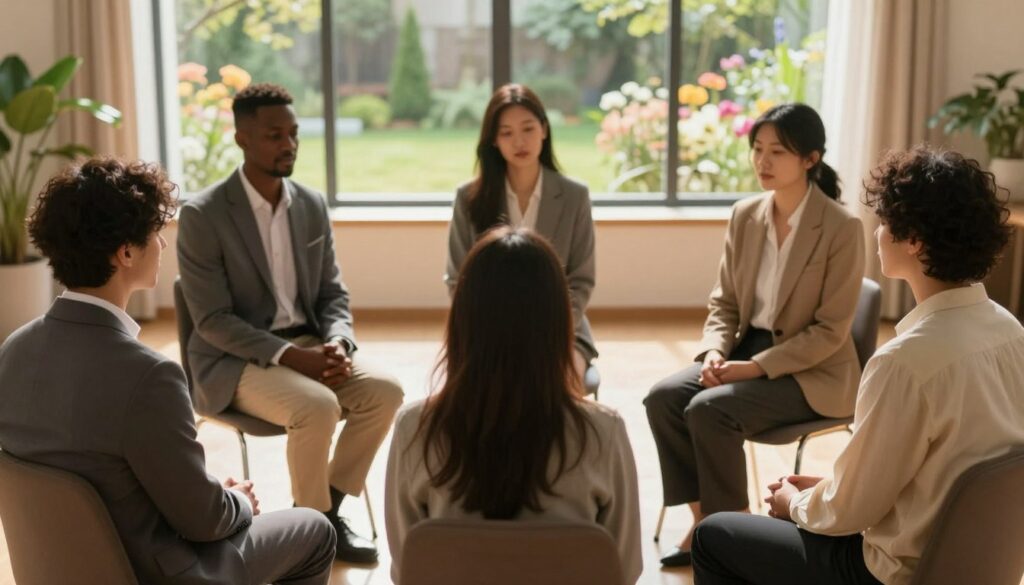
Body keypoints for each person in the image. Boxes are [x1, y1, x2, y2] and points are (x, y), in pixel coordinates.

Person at [692, 146, 1024, 585]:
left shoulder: (904, 363)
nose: (877, 231)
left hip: (893, 573)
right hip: (975, 564)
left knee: (713, 536)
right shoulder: (1010, 330)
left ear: (914, 240)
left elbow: (849, 513)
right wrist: (830, 488)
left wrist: (795, 503)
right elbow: (931, 470)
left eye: (885, 222)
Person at [0, 157, 336, 585]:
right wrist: (238, 501)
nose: (162, 244)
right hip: (155, 573)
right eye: (155, 234)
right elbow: (205, 521)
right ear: (125, 252)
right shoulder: (147, 375)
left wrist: (211, 494)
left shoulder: (13, 349)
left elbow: (105, 471)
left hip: (61, 570)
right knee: (315, 529)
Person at [176, 82, 403, 564]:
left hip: (306, 343)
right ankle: (313, 538)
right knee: (318, 407)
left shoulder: (310, 204)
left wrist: (339, 342)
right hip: (233, 360)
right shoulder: (204, 215)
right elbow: (212, 320)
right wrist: (293, 357)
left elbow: (331, 294)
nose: (289, 145)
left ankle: (323, 517)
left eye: (294, 134)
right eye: (275, 135)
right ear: (242, 138)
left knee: (386, 392)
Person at [644, 103, 866, 567]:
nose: (762, 162)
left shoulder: (842, 229)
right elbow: (724, 302)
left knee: (710, 410)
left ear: (811, 159)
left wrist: (755, 367)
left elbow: (830, 331)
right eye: (757, 149)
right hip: (745, 350)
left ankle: (732, 535)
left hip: (814, 371)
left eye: (777, 152)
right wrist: (713, 352)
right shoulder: (745, 215)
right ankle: (706, 523)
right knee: (663, 397)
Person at [387, 228, 642, 584]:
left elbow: (408, 570)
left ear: (463, 319)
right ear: (558, 323)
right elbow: (623, 570)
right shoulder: (603, 431)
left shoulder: (414, 428)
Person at [445, 83, 598, 379]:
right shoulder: (468, 198)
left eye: (528, 129)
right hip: (487, 337)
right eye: (506, 133)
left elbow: (581, 280)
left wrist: (548, 329)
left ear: (544, 129)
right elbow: (457, 280)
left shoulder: (574, 195)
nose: (519, 142)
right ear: (493, 141)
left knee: (558, 384)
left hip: (561, 333)